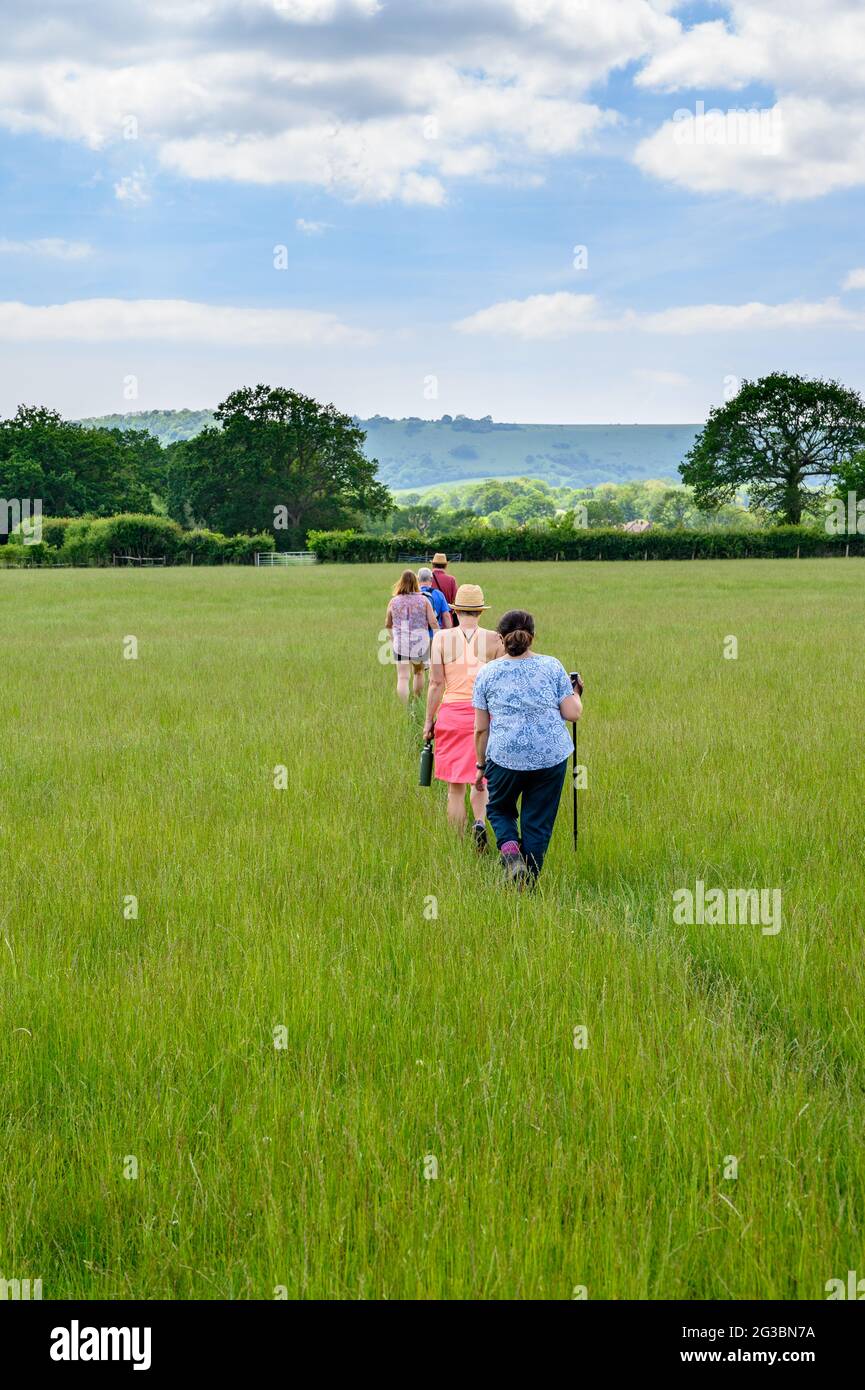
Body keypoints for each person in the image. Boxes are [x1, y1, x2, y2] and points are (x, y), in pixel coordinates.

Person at [472, 609, 582, 884]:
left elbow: (481, 728)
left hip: (504, 755)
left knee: (498, 809)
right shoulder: (552, 666)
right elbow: (572, 713)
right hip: (550, 756)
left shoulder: (487, 673)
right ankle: (528, 882)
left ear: (500, 638)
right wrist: (576, 693)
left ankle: (510, 853)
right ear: (533, 637)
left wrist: (480, 765)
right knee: (538, 820)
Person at [423, 584, 503, 846]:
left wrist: (428, 722)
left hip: (451, 715)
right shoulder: (494, 639)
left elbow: (436, 684)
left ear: (455, 610)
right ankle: (480, 822)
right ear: (480, 611)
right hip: (483, 717)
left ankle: (458, 843)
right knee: (481, 781)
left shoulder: (442, 639)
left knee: (454, 789)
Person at [385, 570, 438, 705]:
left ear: (401, 583)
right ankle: (416, 701)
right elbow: (433, 622)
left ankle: (404, 707)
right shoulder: (424, 600)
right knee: (418, 673)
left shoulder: (394, 601)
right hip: (420, 642)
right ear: (416, 582)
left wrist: (393, 638)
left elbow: (388, 624)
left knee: (402, 677)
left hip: (401, 643)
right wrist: (438, 636)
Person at [429, 552, 457, 624]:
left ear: (433, 564)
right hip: (447, 619)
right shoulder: (451, 580)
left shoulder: (427, 578)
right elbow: (456, 600)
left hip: (429, 618)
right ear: (445, 565)